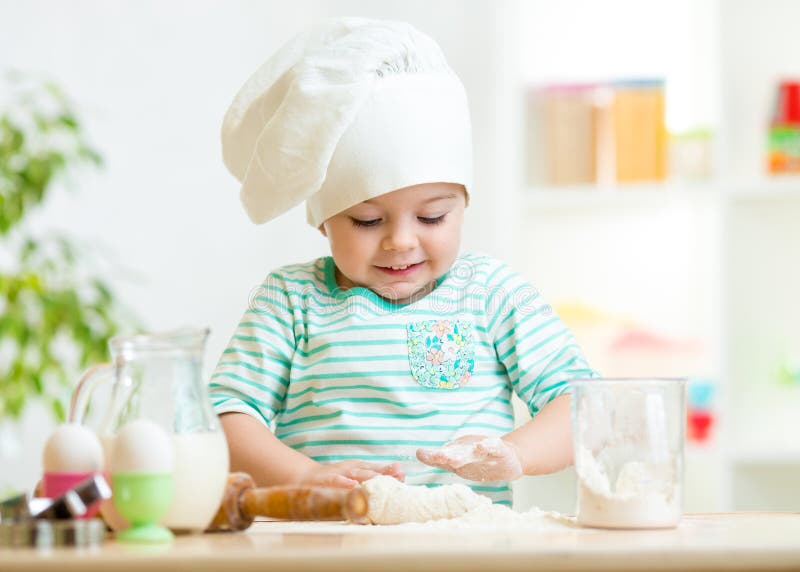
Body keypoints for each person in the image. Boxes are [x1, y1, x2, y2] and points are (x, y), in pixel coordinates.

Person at [209, 17, 597, 506]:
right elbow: (225, 414)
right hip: (320, 544)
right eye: (367, 221)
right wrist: (303, 475)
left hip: (465, 547)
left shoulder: (493, 294)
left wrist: (517, 453)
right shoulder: (290, 301)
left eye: (432, 217)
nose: (400, 241)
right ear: (323, 221)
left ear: (464, 205)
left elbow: (583, 402)